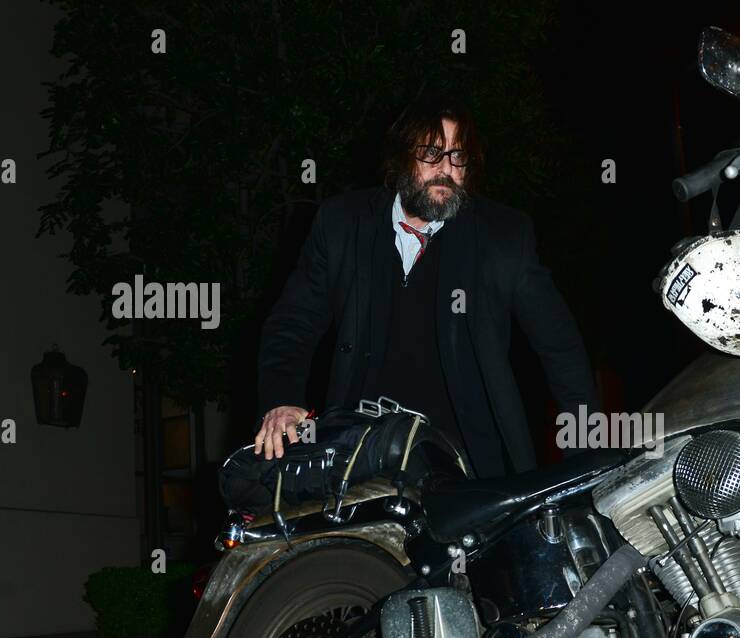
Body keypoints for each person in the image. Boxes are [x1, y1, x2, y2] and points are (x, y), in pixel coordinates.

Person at [254, 93, 599, 478]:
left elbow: (561, 349)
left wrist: (585, 462)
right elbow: (293, 325)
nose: (446, 169)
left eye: (458, 156)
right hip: (360, 454)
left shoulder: (504, 237)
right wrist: (282, 401)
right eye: (432, 154)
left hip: (467, 463)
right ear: (401, 158)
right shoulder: (341, 224)